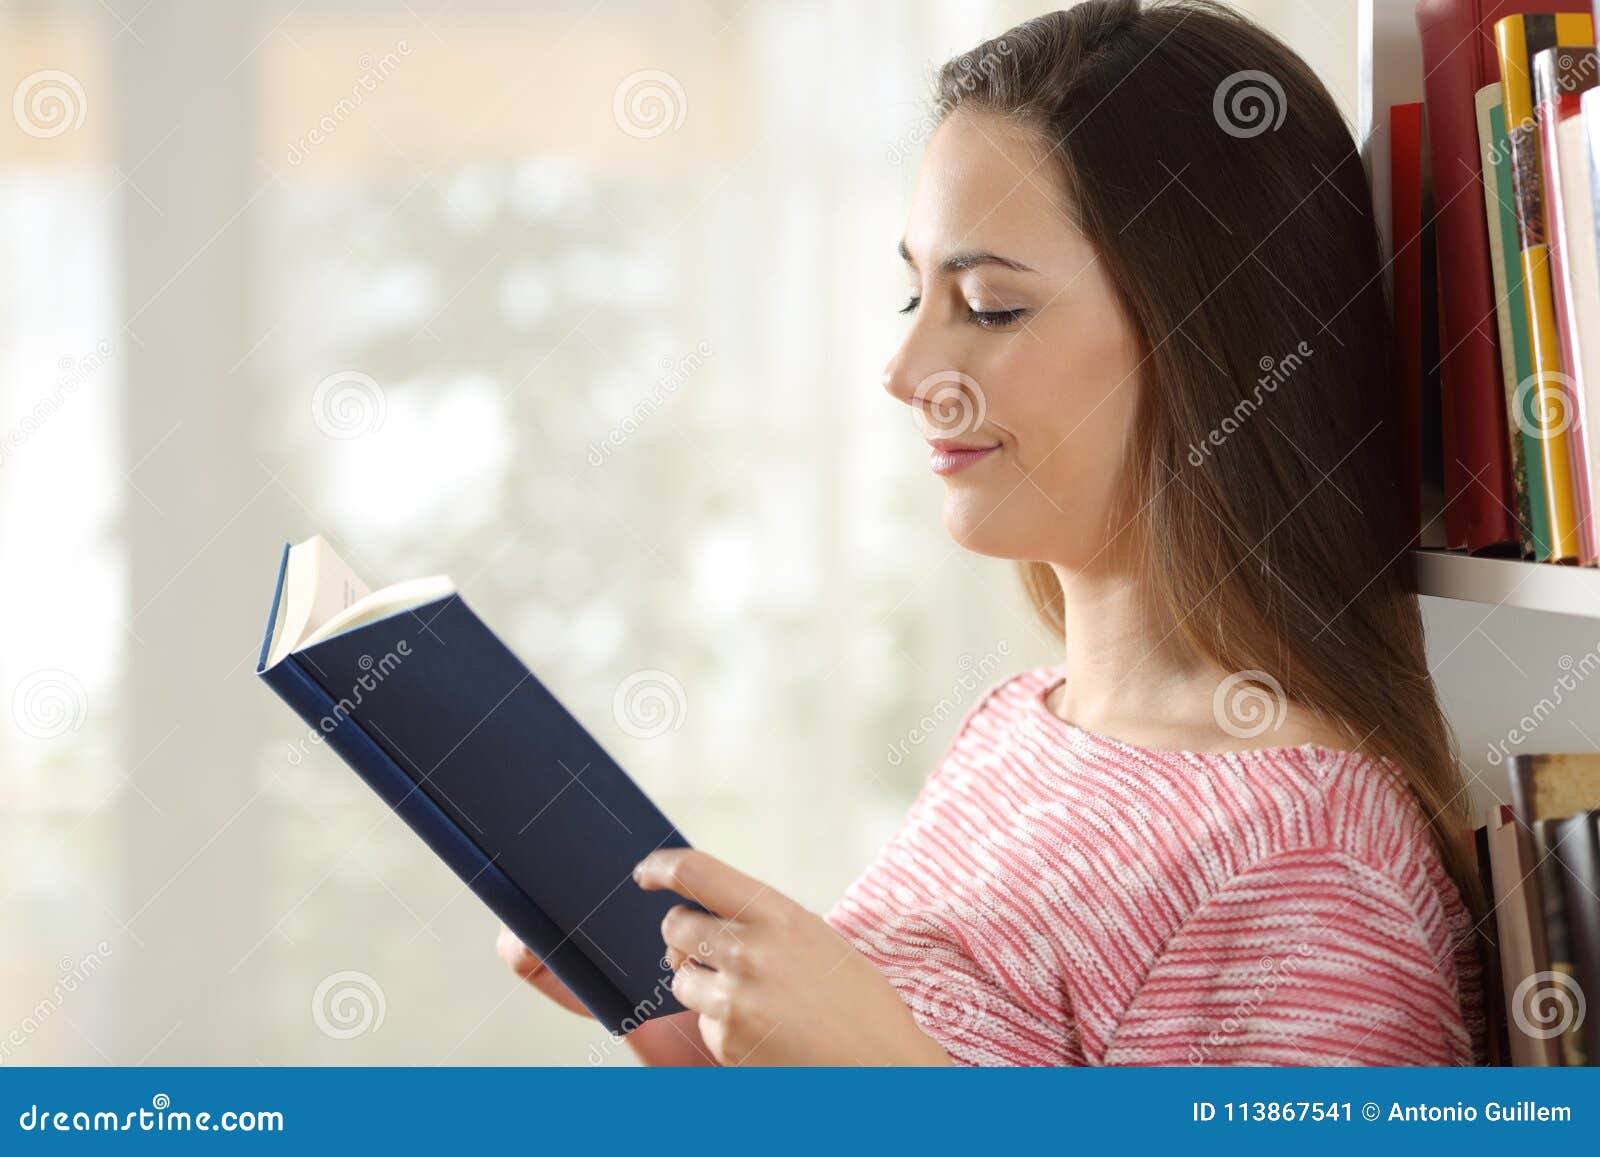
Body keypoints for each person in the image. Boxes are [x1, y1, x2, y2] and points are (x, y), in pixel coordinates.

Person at [499, 0, 1485, 1066]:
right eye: (913, 293)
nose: (904, 370)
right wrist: (702, 1038)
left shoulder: (1311, 858)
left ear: (1210, 340)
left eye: (989, 305)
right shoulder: (1020, 730)